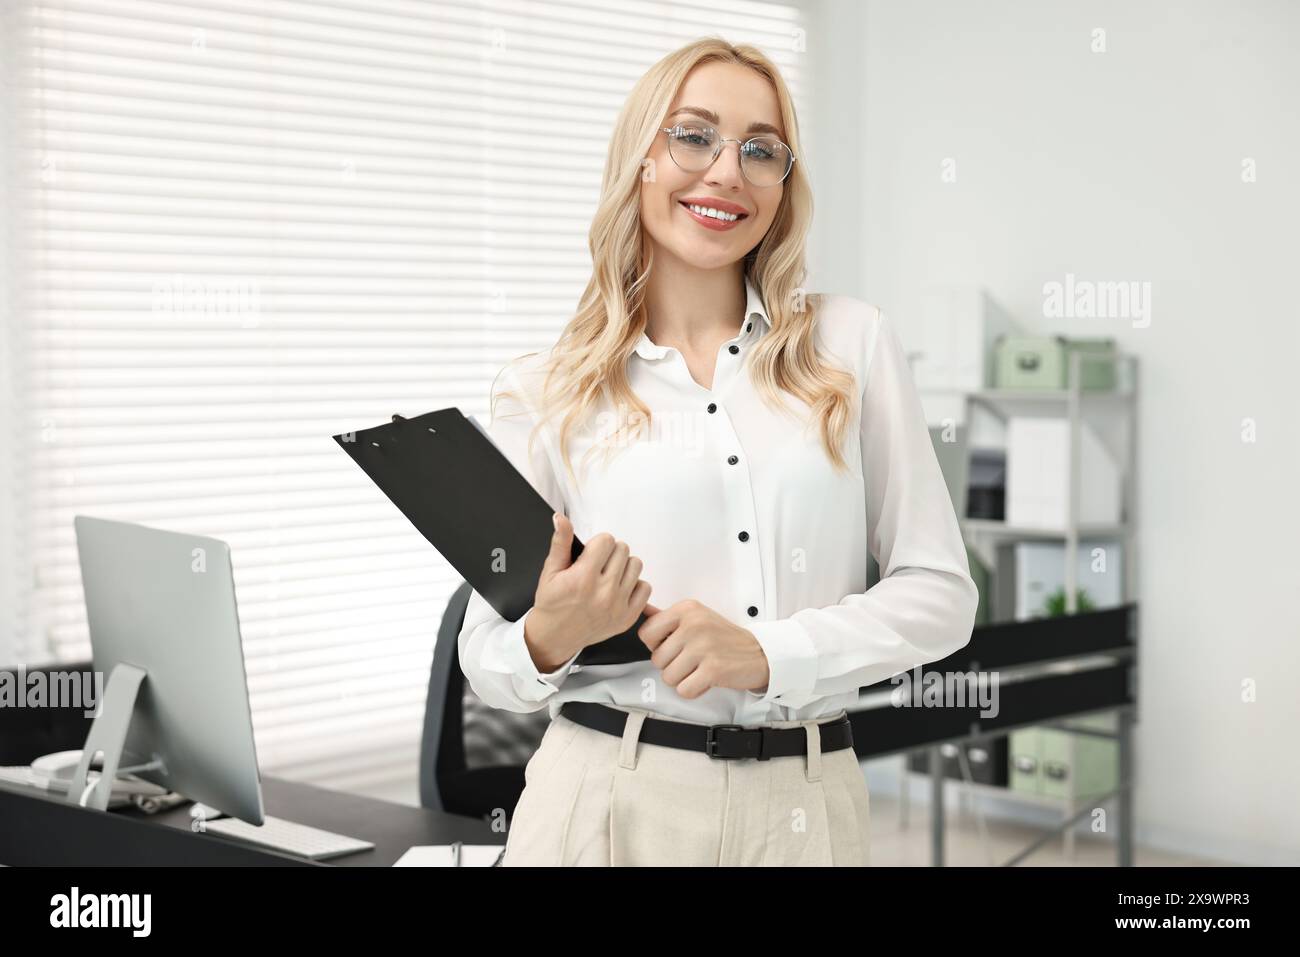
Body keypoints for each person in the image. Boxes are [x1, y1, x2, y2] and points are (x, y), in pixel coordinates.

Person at [458, 36, 978, 866]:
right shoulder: (546, 389)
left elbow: (942, 595)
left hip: (806, 809)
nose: (727, 171)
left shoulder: (853, 344)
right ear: (640, 161)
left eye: (760, 149)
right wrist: (549, 634)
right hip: (603, 803)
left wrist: (769, 652)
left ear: (782, 182)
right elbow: (485, 658)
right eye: (694, 136)